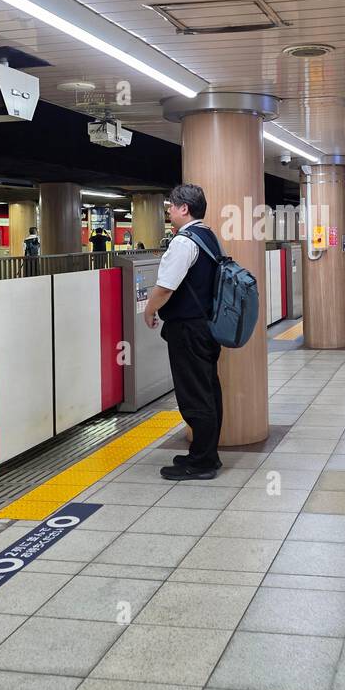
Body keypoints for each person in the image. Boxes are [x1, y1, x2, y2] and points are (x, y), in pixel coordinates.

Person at [143, 183, 223, 481]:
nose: (169, 211)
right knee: (208, 389)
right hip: (207, 326)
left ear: (184, 209)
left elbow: (166, 286)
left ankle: (201, 462)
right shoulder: (209, 237)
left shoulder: (184, 241)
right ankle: (207, 454)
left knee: (194, 393)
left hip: (188, 328)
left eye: (171, 207)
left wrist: (150, 310)